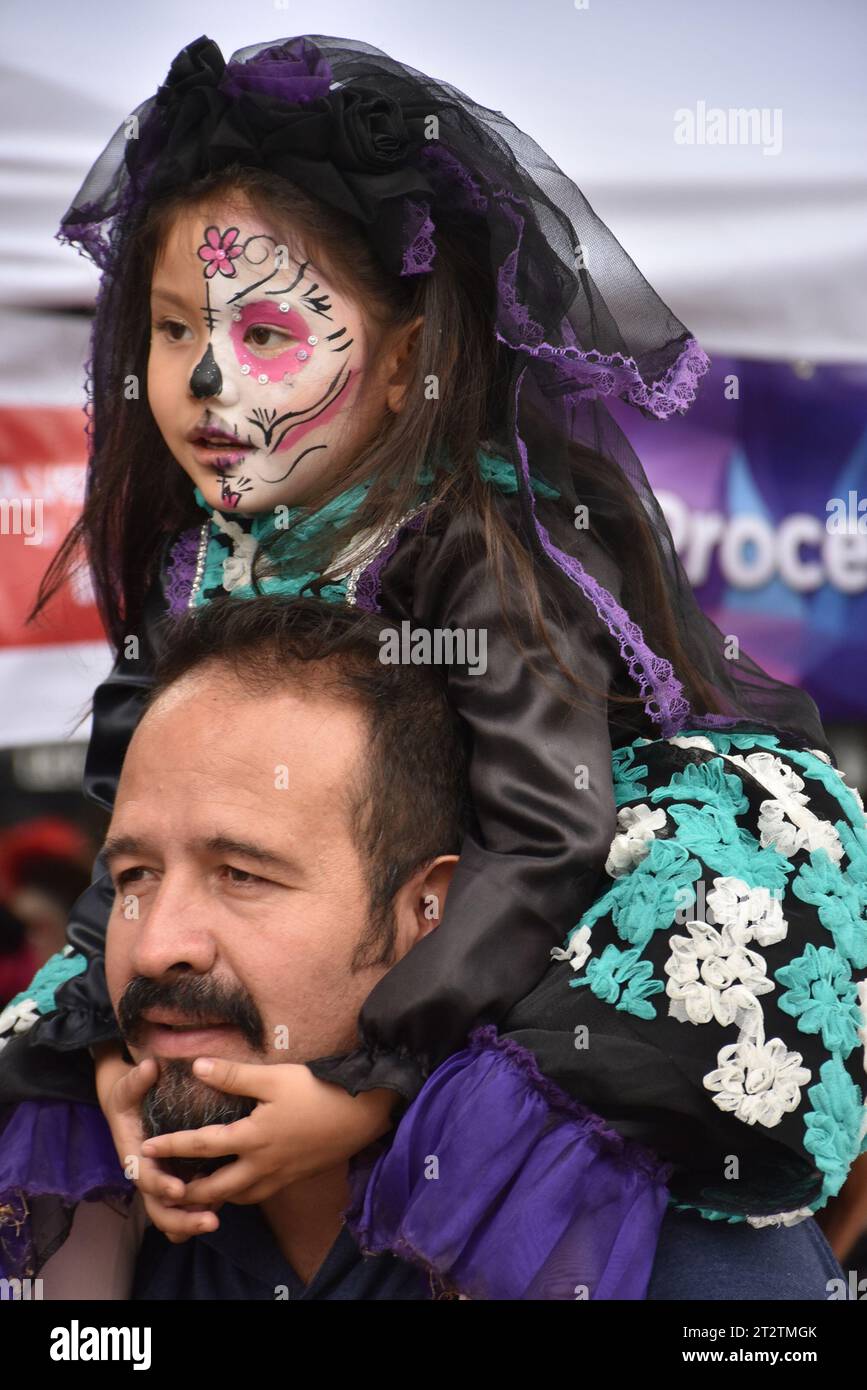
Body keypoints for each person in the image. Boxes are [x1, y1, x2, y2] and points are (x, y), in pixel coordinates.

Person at [1, 33, 863, 1295]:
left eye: (269, 333)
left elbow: (545, 840)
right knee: (53, 1104)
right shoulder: (200, 563)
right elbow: (129, 811)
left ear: (405, 356)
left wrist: (367, 1089)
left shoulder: (466, 549)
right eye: (175, 325)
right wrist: (106, 1024)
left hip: (541, 926)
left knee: (534, 1165)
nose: (203, 377)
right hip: (388, 950)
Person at [1, 597, 849, 1300]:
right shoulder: (68, 1221)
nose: (156, 948)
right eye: (136, 876)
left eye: (242, 875)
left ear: (432, 911)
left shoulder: (658, 1259)